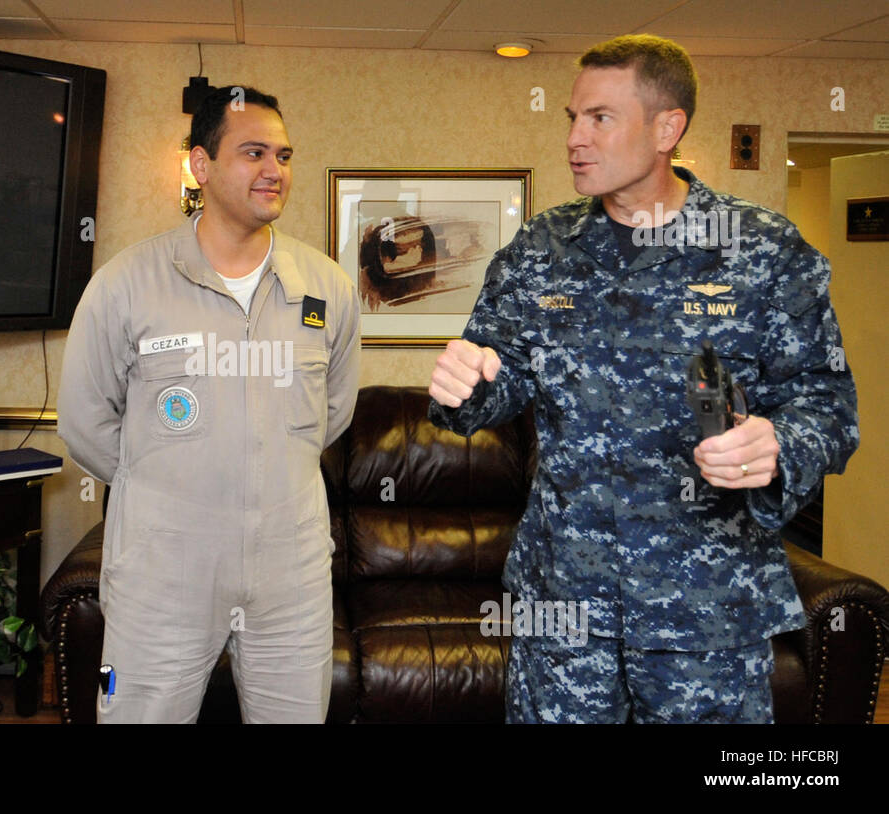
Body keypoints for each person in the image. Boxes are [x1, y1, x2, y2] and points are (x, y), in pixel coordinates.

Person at [428, 34, 858, 723]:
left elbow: (829, 407)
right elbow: (497, 376)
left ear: (668, 128)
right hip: (564, 609)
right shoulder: (541, 250)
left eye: (599, 118)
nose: (575, 137)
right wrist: (467, 384)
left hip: (705, 614)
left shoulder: (764, 251)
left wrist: (779, 443)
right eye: (571, 117)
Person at [58, 85, 361, 723]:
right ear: (202, 164)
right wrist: (170, 486)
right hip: (162, 578)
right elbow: (85, 423)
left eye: (283, 155)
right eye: (254, 152)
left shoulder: (327, 286)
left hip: (291, 577)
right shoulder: (125, 284)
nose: (274, 170)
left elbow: (333, 413)